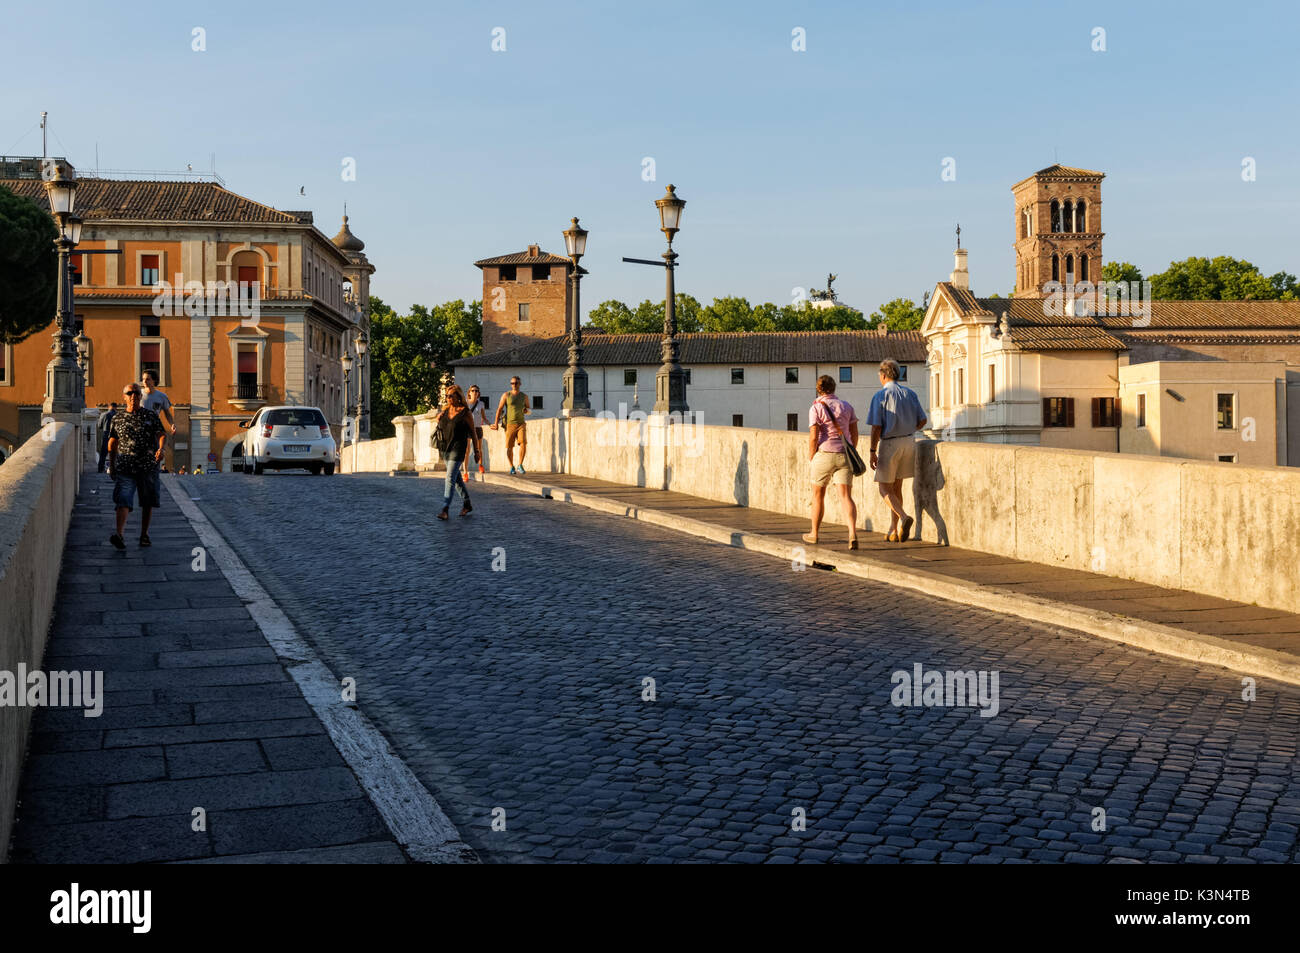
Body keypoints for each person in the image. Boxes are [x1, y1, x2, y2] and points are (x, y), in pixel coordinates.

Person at [867, 358, 928, 542]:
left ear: (883, 375)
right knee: (897, 487)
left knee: (884, 488)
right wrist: (908, 428)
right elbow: (923, 420)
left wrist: (872, 450)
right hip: (909, 441)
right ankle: (894, 530)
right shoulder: (910, 394)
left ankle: (903, 517)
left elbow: (876, 427)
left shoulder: (880, 396)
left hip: (890, 443)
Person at [106, 382, 167, 549]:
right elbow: (112, 443)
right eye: (130, 393)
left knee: (147, 501)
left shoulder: (150, 415)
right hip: (125, 466)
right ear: (124, 397)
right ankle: (119, 535)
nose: (134, 396)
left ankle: (144, 534)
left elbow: (161, 433)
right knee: (123, 499)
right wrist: (111, 465)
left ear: (141, 396)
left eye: (137, 393)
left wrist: (161, 449)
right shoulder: (117, 418)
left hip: (148, 466)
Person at [804, 375, 859, 550]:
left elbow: (814, 437)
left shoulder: (816, 407)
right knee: (845, 496)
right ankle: (852, 534)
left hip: (824, 453)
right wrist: (851, 450)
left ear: (818, 389)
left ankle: (814, 534)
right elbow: (854, 433)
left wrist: (812, 456)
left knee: (818, 495)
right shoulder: (847, 406)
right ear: (834, 388)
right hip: (844, 454)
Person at [434, 385, 481, 520]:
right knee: (456, 479)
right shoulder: (445, 410)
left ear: (458, 397)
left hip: (459, 449)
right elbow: (440, 427)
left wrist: (477, 451)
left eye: (451, 396)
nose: (448, 398)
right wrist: (438, 419)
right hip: (445, 449)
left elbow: (473, 432)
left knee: (449, 478)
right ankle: (467, 504)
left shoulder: (465, 412)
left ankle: (445, 509)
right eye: (447, 396)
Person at [493, 376, 530, 474]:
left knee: (523, 443)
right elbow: (499, 409)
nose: (514, 385)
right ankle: (511, 466)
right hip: (509, 424)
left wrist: (526, 410)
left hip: (521, 423)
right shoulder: (506, 395)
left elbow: (528, 408)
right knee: (509, 447)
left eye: (516, 383)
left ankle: (520, 465)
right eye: (512, 383)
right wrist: (496, 423)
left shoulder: (524, 396)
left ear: (520, 384)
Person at [464, 385, 490, 480]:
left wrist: (490, 424)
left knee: (478, 449)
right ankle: (465, 472)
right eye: (473, 390)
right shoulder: (466, 403)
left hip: (478, 428)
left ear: (478, 393)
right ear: (469, 393)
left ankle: (480, 465)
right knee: (466, 451)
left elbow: (484, 417)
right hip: (468, 429)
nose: (475, 392)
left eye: (476, 391)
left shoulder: (481, 404)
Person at [96, 402, 118, 473]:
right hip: (115, 435)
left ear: (109, 407)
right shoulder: (117, 415)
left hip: (105, 434)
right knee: (115, 453)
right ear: (115, 407)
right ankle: (115, 469)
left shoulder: (103, 414)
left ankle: (100, 469)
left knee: (103, 453)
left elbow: (99, 426)